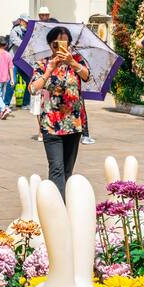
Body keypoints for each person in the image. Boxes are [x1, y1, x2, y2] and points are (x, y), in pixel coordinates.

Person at [30, 25, 90, 194]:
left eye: (65, 42)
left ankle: (67, 204)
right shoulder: (43, 63)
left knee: (68, 170)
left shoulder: (76, 60)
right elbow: (33, 88)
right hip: (51, 123)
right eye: (57, 43)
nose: (61, 47)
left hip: (73, 122)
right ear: (50, 44)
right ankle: (57, 207)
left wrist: (72, 62)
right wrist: (49, 70)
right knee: (56, 168)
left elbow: (86, 76)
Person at [0, 35, 15, 119]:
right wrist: (12, 79)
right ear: (5, 45)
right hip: (6, 78)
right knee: (1, 95)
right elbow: (11, 68)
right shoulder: (9, 55)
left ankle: (4, 108)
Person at [8, 14, 30, 107]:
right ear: (21, 21)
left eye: (28, 22)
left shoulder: (28, 32)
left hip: (22, 61)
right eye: (25, 22)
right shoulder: (14, 31)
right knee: (13, 81)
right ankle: (5, 104)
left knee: (30, 80)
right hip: (13, 60)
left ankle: (25, 103)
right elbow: (17, 42)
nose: (27, 24)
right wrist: (29, 43)